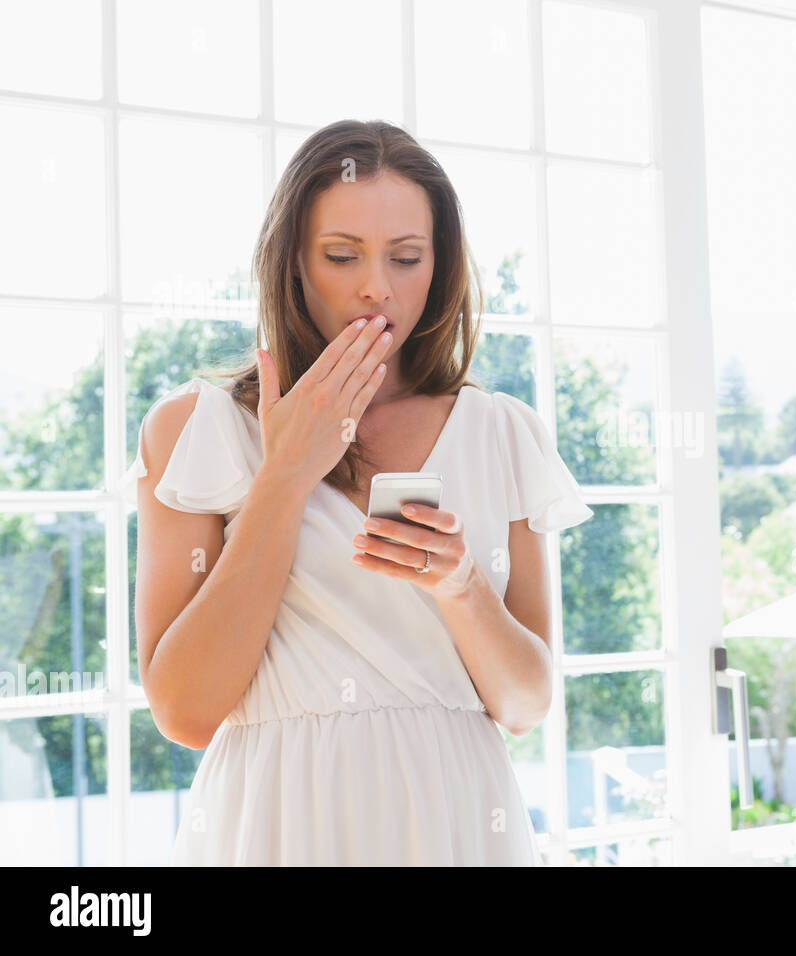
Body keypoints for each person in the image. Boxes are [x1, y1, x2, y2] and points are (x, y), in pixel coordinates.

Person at [120, 119, 593, 865]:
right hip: (277, 826)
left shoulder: (502, 432)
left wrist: (462, 586)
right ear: (295, 265)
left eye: (407, 257)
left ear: (439, 268)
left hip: (458, 825)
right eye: (342, 256)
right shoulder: (193, 430)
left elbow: (525, 704)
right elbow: (185, 710)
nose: (378, 285)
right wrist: (284, 475)